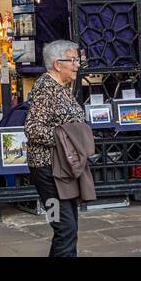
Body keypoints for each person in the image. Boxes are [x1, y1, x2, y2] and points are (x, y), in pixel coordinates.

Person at [24, 39, 88, 256]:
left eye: (77, 59)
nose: (77, 64)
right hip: (47, 171)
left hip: (62, 170)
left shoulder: (62, 88)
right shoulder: (45, 88)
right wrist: (67, 139)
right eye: (73, 60)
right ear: (57, 64)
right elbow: (33, 129)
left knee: (68, 228)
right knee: (64, 228)